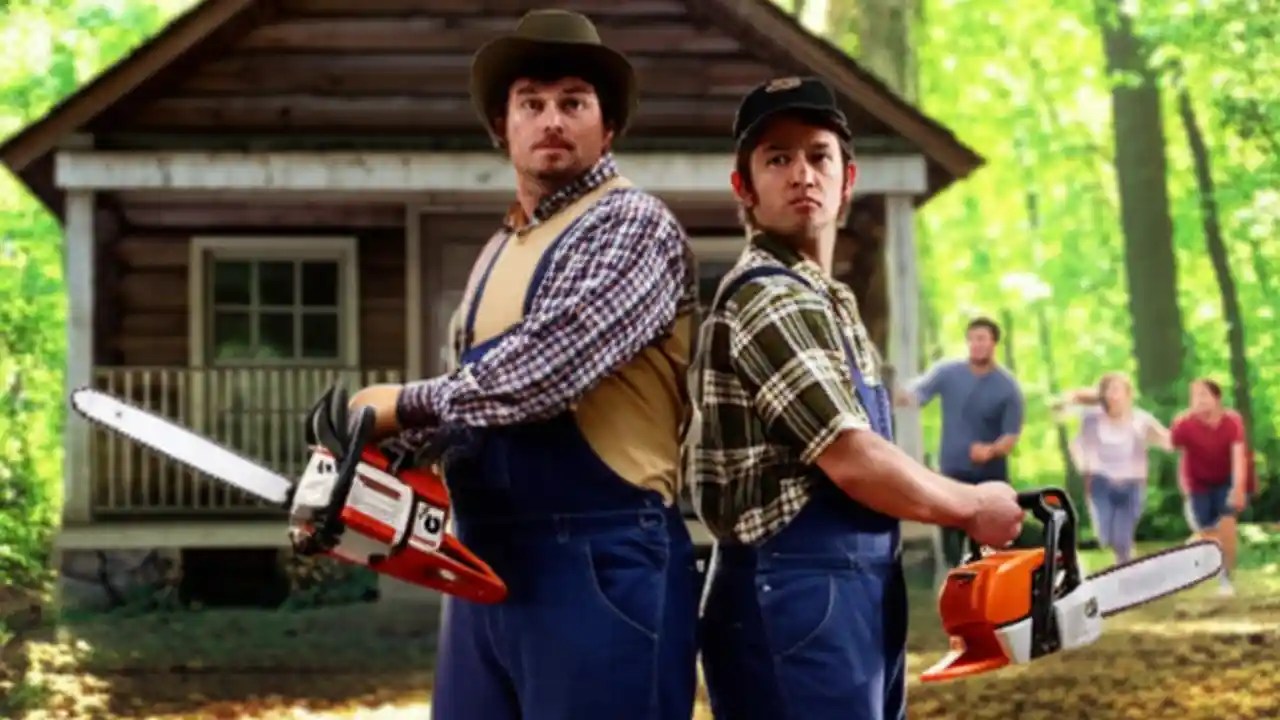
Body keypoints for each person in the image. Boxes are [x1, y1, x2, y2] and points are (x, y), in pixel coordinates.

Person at [340, 10, 701, 719]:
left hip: (599, 560)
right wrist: (369, 463)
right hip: (483, 560)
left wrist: (402, 405)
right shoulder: (498, 252)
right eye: (530, 103)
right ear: (502, 127)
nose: (552, 120)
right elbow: (472, 414)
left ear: (609, 125)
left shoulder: (633, 224)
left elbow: (546, 370)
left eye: (574, 101)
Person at [686, 75, 1025, 720]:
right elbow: (853, 457)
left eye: (818, 155)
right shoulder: (767, 296)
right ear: (745, 189)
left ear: (847, 178)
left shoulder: (828, 300)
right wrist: (971, 504)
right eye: (777, 159)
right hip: (791, 590)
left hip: (854, 587)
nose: (802, 174)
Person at [895, 317, 1025, 566]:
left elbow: (1011, 435)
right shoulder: (948, 373)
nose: (976, 344)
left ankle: (992, 590)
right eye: (972, 339)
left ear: (993, 343)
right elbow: (915, 394)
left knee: (990, 547)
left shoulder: (1007, 387)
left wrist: (990, 451)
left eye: (982, 339)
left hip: (990, 479)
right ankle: (956, 585)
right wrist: (894, 391)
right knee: (951, 544)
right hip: (952, 474)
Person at [1053, 372, 1173, 565]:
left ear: (1128, 394)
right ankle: (1122, 558)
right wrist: (1074, 397)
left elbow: (1167, 440)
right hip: (1101, 483)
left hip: (1132, 484)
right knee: (1105, 536)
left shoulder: (1141, 419)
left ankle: (1125, 569)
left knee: (1122, 537)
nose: (1113, 394)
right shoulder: (1091, 417)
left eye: (1117, 389)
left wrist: (1191, 439)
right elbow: (1058, 412)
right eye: (1108, 389)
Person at [1171, 378, 1248, 596]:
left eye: (1204, 395)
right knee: (1208, 533)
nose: (1199, 401)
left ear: (1217, 398)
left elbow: (1238, 455)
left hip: (1224, 480)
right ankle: (1191, 553)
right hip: (1198, 484)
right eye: (1194, 396)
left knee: (1227, 527)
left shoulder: (1232, 421)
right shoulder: (1184, 424)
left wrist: (1238, 487)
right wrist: (1184, 486)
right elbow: (1178, 453)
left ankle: (1226, 578)